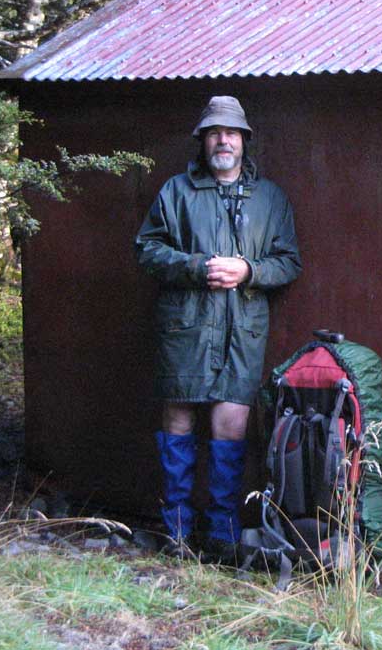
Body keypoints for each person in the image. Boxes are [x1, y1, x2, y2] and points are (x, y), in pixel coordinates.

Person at [135, 95, 301, 558]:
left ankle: (224, 536)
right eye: (213, 132)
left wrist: (249, 272)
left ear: (244, 141)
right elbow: (146, 250)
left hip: (242, 329)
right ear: (203, 142)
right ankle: (178, 533)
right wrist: (196, 266)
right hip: (186, 327)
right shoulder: (176, 192)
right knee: (180, 418)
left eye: (231, 133)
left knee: (231, 424)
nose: (222, 140)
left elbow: (289, 262)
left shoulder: (270, 198)